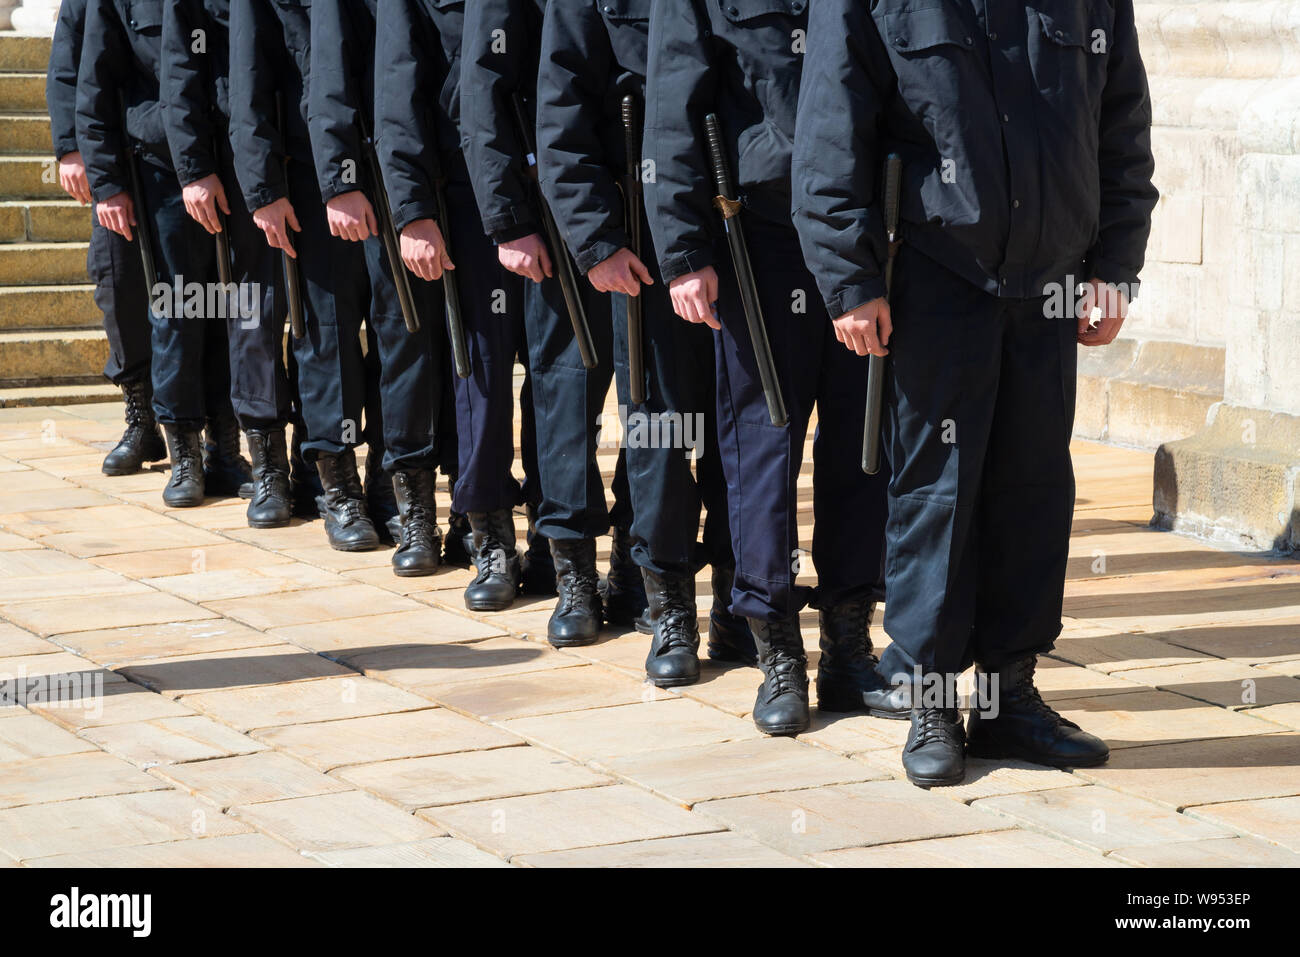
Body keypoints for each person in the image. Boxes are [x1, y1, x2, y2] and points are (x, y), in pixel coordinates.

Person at [793, 0, 1157, 785]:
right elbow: (831, 126)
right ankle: (931, 698)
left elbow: (1121, 124)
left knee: (1032, 490)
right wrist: (849, 278)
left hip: (1051, 283)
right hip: (937, 274)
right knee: (937, 492)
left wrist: (1114, 263)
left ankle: (1008, 699)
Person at [644, 0, 902, 734]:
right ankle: (776, 645)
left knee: (863, 447)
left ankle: (849, 645)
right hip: (760, 234)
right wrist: (685, 251)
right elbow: (672, 104)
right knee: (763, 446)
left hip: (861, 234)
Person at [535, 0, 754, 686]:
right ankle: (671, 609)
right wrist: (597, 241)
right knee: (659, 429)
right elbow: (561, 115)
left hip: (757, 229)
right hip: (644, 238)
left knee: (744, 436)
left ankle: (736, 604)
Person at [461, 0, 646, 646]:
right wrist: (509, 218)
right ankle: (572, 570)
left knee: (656, 400)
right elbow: (485, 87)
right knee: (564, 395)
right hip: (561, 210)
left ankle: (634, 559)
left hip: (654, 201)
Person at [374, 0, 553, 605]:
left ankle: (554, 539)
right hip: (469, 196)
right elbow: (398, 92)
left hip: (567, 190)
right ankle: (489, 533)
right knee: (481, 377)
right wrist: (413, 209)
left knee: (561, 381)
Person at [307, 0, 460, 576]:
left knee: (424, 347)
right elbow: (331, 70)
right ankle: (375, 495)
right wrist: (339, 175)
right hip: (376, 174)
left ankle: (403, 491)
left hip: (454, 172)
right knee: (364, 338)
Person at [76, 0, 248, 508]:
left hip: (237, 164)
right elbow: (93, 84)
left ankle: (225, 450)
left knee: (231, 311)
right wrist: (106, 183)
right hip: (159, 170)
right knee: (178, 309)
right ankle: (185, 452)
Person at [228, 0, 383, 551]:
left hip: (391, 167)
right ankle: (335, 484)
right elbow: (248, 81)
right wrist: (264, 190)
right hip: (306, 179)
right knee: (322, 335)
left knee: (388, 336)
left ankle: (371, 477)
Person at [160, 0, 298, 528]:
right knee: (249, 320)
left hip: (312, 162)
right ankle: (265, 465)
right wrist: (194, 167)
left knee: (318, 328)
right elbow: (181, 66)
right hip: (235, 168)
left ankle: (315, 467)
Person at [47, 0, 161, 479]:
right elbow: (67, 60)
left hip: (184, 156)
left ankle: (203, 430)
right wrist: (70, 146)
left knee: (197, 300)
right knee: (118, 285)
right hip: (114, 159)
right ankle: (140, 418)